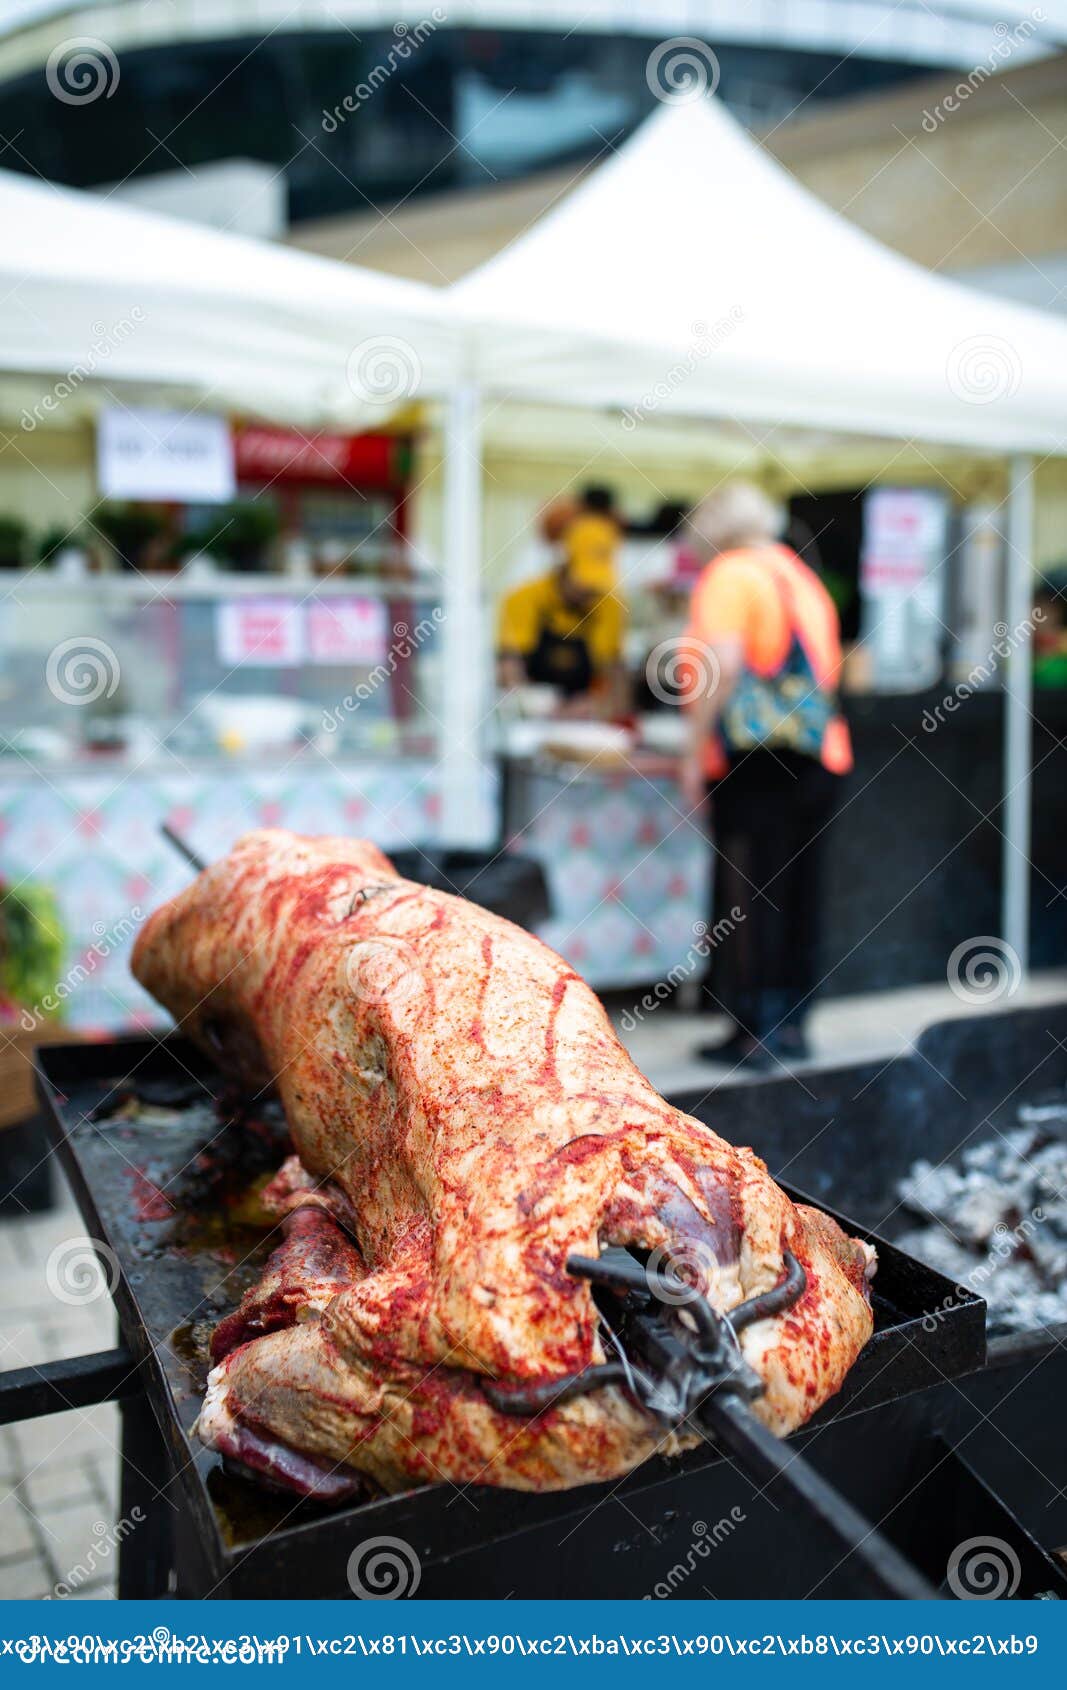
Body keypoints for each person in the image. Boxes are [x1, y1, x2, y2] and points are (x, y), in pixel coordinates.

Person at [678, 481, 852, 1069]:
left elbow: (722, 665)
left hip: (756, 760)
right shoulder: (800, 576)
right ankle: (793, 1025)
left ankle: (753, 1030)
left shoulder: (730, 574)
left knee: (748, 893)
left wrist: (692, 749)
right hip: (820, 752)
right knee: (801, 892)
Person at [496, 509, 627, 717]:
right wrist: (532, 704)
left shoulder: (610, 605)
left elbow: (614, 675)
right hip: (531, 719)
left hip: (585, 722)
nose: (590, 591)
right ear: (565, 563)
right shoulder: (523, 599)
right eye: (584, 581)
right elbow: (509, 669)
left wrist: (600, 706)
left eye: (596, 583)